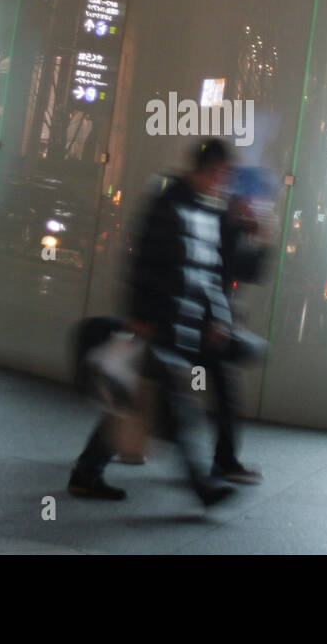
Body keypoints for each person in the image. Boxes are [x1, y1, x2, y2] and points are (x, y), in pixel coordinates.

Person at [67, 139, 238, 508]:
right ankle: (202, 486)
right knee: (174, 410)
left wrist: (216, 318)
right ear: (207, 170)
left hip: (178, 327)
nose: (224, 181)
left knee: (136, 406)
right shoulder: (171, 205)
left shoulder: (201, 208)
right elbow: (145, 265)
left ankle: (86, 472)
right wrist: (141, 317)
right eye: (222, 173)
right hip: (161, 327)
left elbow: (209, 274)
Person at [204, 187, 272, 483]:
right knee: (222, 394)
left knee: (219, 394)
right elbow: (239, 271)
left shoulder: (228, 227)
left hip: (208, 323)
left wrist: (258, 238)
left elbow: (248, 271)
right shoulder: (225, 228)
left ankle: (222, 461)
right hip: (205, 326)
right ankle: (222, 463)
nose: (253, 209)